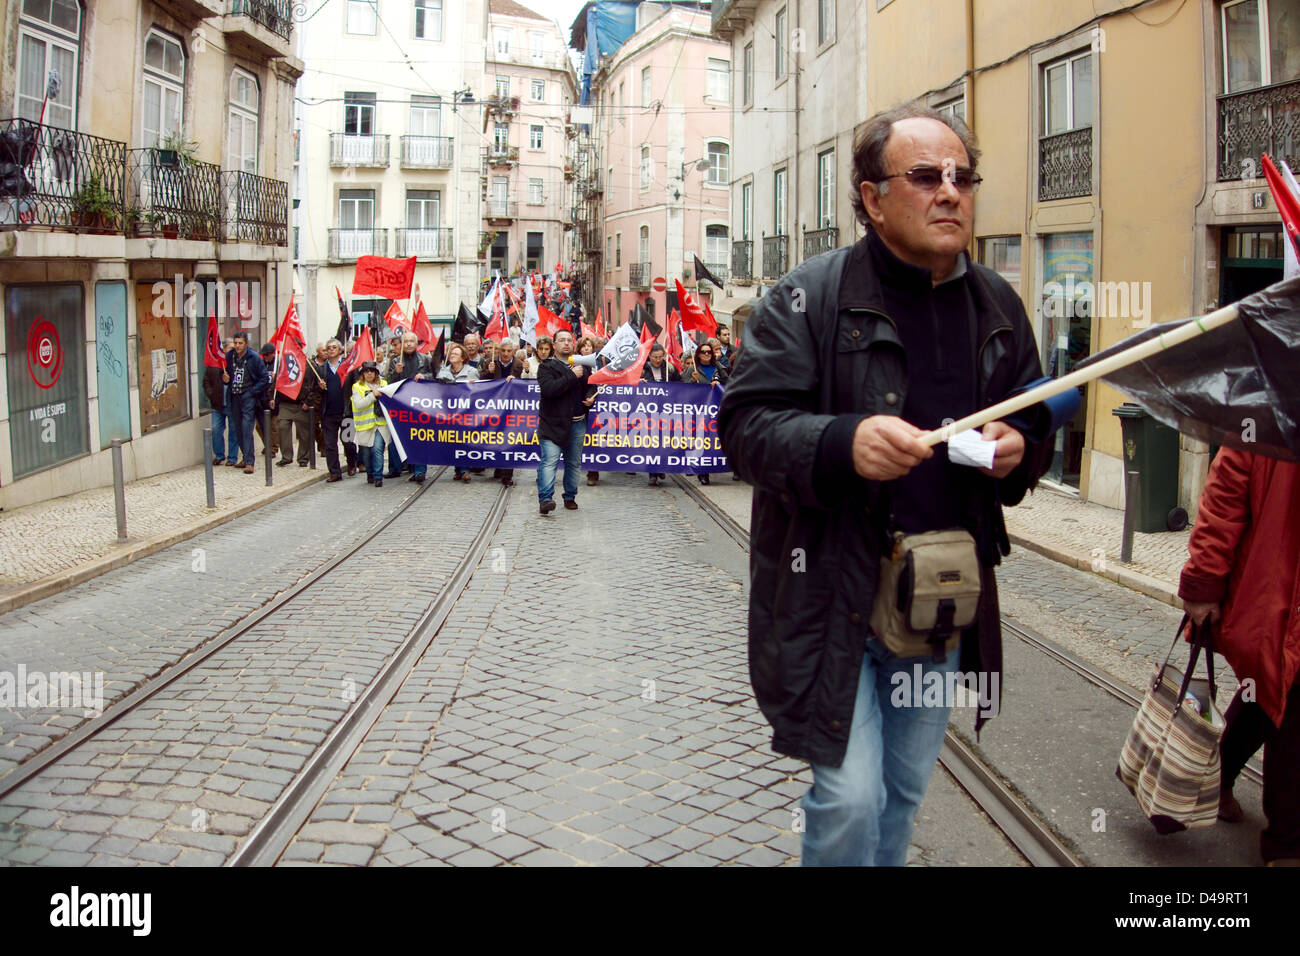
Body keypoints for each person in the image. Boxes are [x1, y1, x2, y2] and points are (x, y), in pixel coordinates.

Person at [717, 104, 1053, 867]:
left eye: (963, 177)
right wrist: (842, 441)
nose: (951, 193)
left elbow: (1034, 417)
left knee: (902, 792)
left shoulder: (996, 304)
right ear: (871, 198)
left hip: (935, 601)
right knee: (847, 796)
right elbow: (743, 429)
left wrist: (1021, 448)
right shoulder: (810, 297)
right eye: (927, 176)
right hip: (827, 592)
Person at [1179, 448, 1300, 865]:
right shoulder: (1268, 406)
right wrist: (1204, 582)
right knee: (1287, 698)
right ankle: (1287, 844)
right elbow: (1224, 498)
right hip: (1276, 593)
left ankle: (1215, 777)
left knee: (1267, 692)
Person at [536, 329, 594, 515]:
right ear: (554, 345)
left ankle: (570, 496)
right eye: (561, 340)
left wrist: (591, 398)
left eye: (569, 340)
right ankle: (545, 499)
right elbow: (549, 390)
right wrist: (571, 376)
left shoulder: (581, 365)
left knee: (573, 463)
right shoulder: (546, 367)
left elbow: (590, 387)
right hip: (552, 424)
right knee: (549, 461)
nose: (566, 343)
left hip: (577, 423)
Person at [383, 332, 430, 483]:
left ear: (417, 344)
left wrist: (425, 377)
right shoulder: (395, 360)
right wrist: (395, 373)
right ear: (402, 344)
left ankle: (419, 471)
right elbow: (388, 382)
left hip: (419, 405)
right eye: (406, 341)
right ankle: (395, 468)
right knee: (396, 436)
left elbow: (436, 376)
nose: (409, 344)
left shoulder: (426, 359)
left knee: (419, 438)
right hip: (400, 404)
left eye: (411, 341)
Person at [479, 337, 525, 487]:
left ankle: (507, 474)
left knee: (509, 439)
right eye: (503, 350)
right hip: (494, 407)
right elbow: (481, 383)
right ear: (498, 350)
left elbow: (526, 385)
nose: (505, 354)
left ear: (513, 351)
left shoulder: (519, 364)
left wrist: (519, 378)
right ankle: (499, 466)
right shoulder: (490, 362)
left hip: (512, 408)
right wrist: (488, 372)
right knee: (495, 437)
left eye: (509, 351)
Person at [224, 331, 268, 474]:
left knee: (246, 427)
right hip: (234, 396)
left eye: (240, 343)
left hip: (249, 396)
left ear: (246, 344)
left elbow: (264, 378)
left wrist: (252, 392)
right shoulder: (229, 356)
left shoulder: (254, 357)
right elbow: (225, 375)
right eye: (235, 343)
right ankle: (245, 456)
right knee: (237, 428)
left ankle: (250, 462)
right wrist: (224, 378)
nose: (237, 346)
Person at [687, 342, 728, 486]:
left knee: (714, 439)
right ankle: (703, 473)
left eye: (709, 352)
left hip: (715, 410)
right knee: (701, 439)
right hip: (698, 410)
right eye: (703, 352)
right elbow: (681, 387)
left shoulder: (719, 368)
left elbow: (729, 382)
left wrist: (719, 381)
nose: (706, 354)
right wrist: (692, 380)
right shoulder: (693, 368)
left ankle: (714, 466)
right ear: (698, 354)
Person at [274, 343, 320, 468]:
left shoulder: (309, 365)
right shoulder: (283, 363)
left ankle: (303, 458)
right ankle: (286, 457)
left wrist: (308, 401)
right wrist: (272, 398)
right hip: (285, 403)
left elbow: (315, 386)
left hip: (301, 404)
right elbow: (276, 382)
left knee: (304, 433)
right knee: (283, 428)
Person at [437, 343, 479, 481]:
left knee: (464, 439)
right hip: (448, 411)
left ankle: (465, 470)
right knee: (454, 439)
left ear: (463, 358)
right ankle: (458, 469)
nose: (452, 355)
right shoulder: (444, 371)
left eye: (455, 353)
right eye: (451, 353)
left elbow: (481, 391)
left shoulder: (471, 371)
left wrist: (473, 385)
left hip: (466, 411)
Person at [641, 343, 680, 487]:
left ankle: (660, 467)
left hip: (666, 412)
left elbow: (680, 385)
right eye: (654, 357)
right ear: (649, 356)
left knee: (663, 442)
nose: (657, 360)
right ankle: (653, 473)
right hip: (648, 412)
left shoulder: (670, 368)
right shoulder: (642, 369)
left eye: (660, 357)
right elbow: (630, 384)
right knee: (652, 443)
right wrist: (639, 382)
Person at [351, 361, 391, 487]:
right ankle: (370, 473)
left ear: (376, 373)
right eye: (366, 371)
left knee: (377, 449)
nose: (369, 373)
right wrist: (372, 396)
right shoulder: (357, 387)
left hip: (380, 424)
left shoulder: (384, 384)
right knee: (366, 454)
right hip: (365, 426)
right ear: (362, 373)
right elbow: (358, 404)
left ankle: (378, 477)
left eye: (372, 371)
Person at [317, 339, 348, 483]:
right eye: (328, 348)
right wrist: (320, 387)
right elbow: (314, 391)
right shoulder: (321, 369)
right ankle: (334, 472)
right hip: (328, 413)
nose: (331, 350)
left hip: (346, 412)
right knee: (330, 444)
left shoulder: (347, 366)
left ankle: (352, 462)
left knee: (348, 441)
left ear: (340, 350)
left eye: (334, 347)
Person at [575, 336, 603, 487]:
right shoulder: (574, 364)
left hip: (595, 410)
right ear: (579, 349)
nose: (586, 348)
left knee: (593, 441)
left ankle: (593, 472)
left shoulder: (598, 364)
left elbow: (593, 385)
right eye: (583, 346)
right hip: (579, 408)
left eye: (589, 346)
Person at [203, 343, 233, 466]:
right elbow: (206, 382)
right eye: (229, 349)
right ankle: (219, 455)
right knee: (216, 429)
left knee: (234, 431)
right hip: (217, 405)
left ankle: (232, 457)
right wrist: (211, 394)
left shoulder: (236, 365)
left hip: (232, 404)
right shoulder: (213, 366)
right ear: (223, 350)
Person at [256, 342, 280, 461]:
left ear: (272, 354)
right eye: (263, 355)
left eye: (267, 355)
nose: (265, 357)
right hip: (262, 400)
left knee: (273, 426)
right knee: (259, 426)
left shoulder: (277, 364)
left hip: (274, 400)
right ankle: (267, 445)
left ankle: (274, 448)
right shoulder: (261, 365)